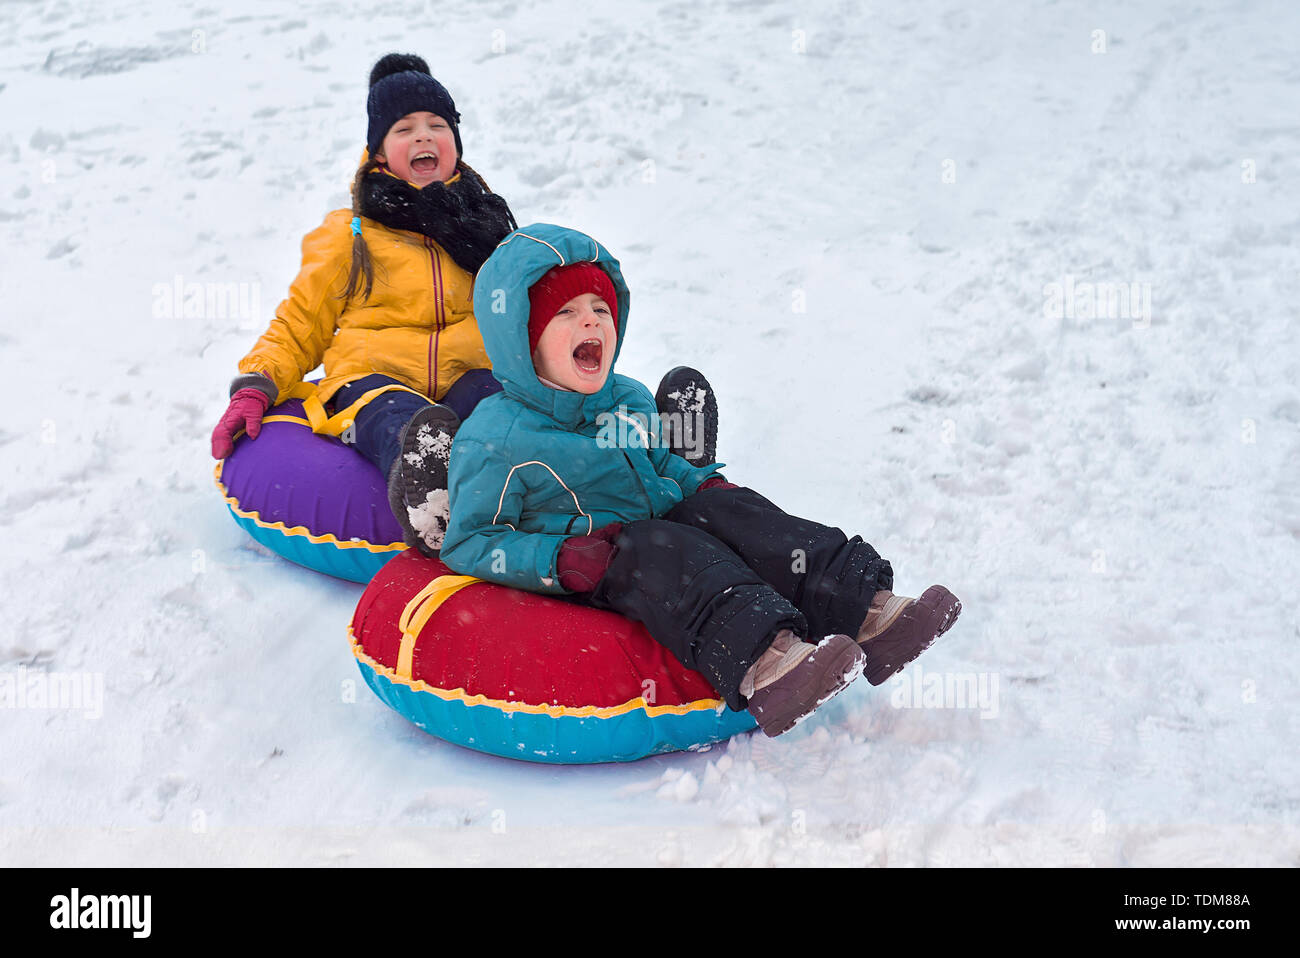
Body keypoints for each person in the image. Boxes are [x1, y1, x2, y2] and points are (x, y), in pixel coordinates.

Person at [439, 224, 962, 737]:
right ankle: (770, 664)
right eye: (566, 313)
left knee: (728, 514)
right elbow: (471, 541)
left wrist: (701, 483)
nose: (591, 324)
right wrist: (561, 560)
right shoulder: (496, 440)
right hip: (597, 567)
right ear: (521, 339)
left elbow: (660, 464)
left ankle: (867, 610)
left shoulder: (628, 398)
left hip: (661, 528)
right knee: (656, 545)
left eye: (601, 310)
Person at [209, 54, 718, 556]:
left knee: (531, 422)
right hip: (374, 377)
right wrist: (257, 383)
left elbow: (528, 314)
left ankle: (661, 451)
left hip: (472, 372)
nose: (424, 136)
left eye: (438, 124)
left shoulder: (487, 224)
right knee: (403, 424)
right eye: (405, 128)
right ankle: (438, 505)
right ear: (379, 151)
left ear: (456, 141)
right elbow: (300, 321)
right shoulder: (351, 234)